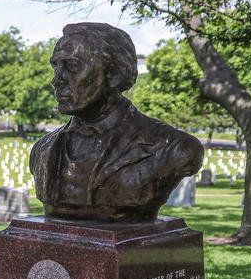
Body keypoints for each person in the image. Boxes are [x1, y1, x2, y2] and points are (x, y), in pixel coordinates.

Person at [30, 22, 203, 222]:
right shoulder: (42, 149)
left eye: (72, 66)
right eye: (56, 67)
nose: (57, 79)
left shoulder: (173, 149)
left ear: (113, 74)